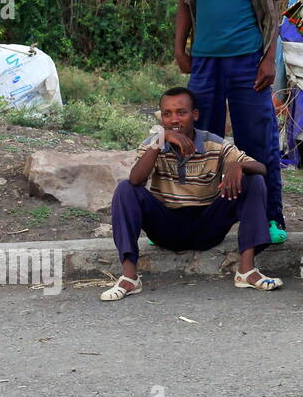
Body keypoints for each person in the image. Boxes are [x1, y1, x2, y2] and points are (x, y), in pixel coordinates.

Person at [171, 0, 290, 243]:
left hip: (248, 61)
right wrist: (180, 48)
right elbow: (184, 3)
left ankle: (270, 218)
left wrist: (269, 59)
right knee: (199, 141)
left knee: (258, 139)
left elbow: (275, 7)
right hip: (205, 60)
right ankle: (202, 217)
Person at [102, 87, 282, 301]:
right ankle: (130, 277)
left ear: (194, 115)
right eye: (167, 114)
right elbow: (136, 180)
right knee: (125, 189)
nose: (174, 119)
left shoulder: (213, 143)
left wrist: (238, 166)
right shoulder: (153, 144)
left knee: (254, 180)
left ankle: (246, 271)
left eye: (181, 112)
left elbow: (261, 167)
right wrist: (161, 140)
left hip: (208, 226)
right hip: (166, 229)